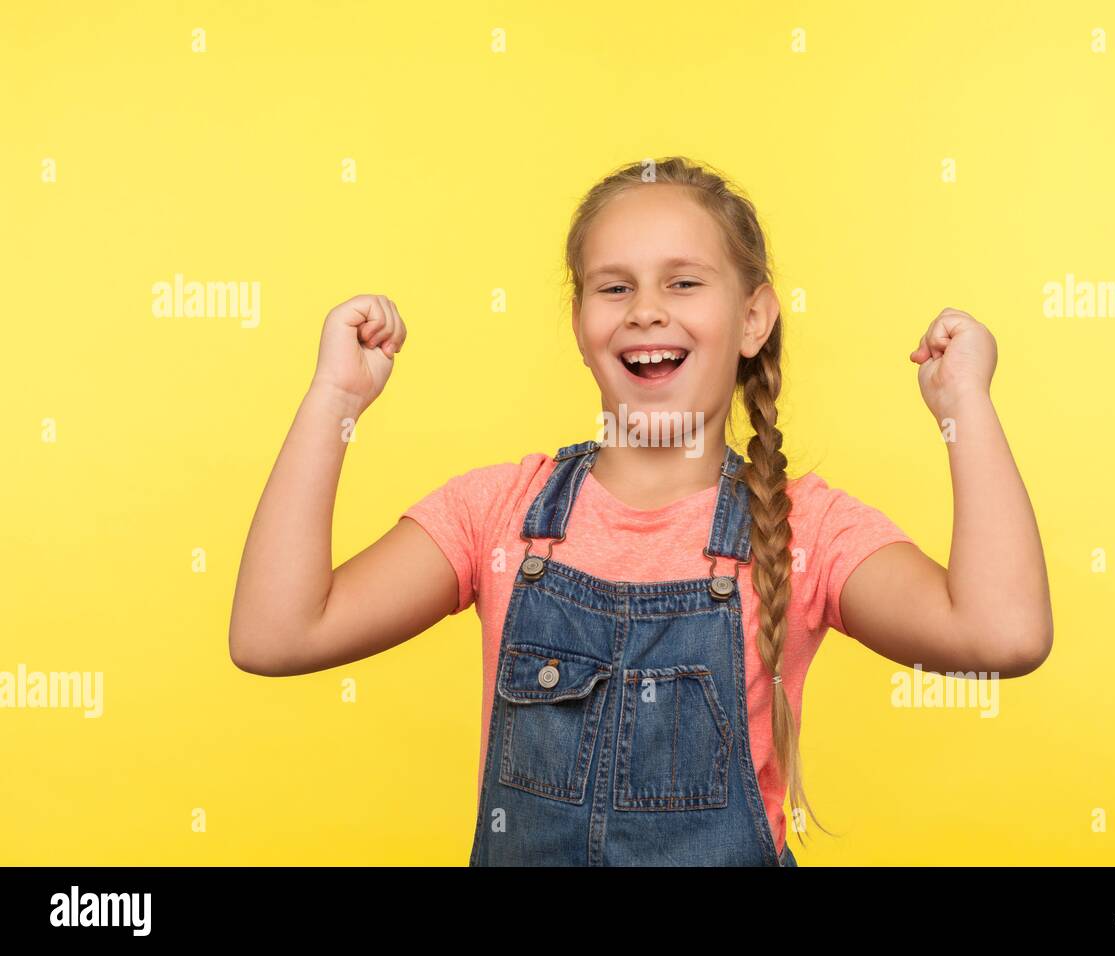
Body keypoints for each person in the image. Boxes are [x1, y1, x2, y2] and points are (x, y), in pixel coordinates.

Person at [228, 156, 1053, 867]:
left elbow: (1002, 635)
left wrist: (963, 406)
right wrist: (335, 396)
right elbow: (276, 635)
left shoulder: (806, 532)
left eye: (684, 282)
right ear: (582, 322)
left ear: (753, 319)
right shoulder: (499, 513)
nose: (645, 310)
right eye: (612, 286)